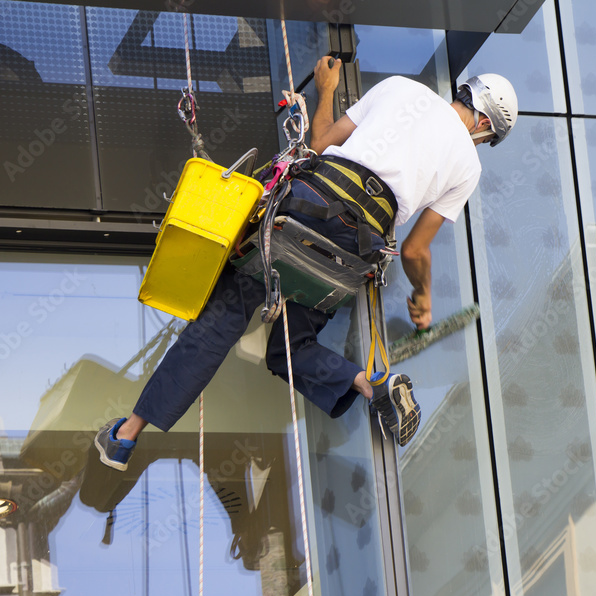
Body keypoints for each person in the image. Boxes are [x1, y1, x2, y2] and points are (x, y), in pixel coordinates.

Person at [93, 56, 517, 471]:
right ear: (485, 124)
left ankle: (127, 435)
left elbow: (319, 145)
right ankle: (371, 387)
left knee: (222, 319)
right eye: (487, 138)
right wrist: (423, 299)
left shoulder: (400, 87)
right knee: (292, 350)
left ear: (467, 95)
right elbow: (415, 251)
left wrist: (326, 91)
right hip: (352, 252)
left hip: (306, 212)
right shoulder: (468, 165)